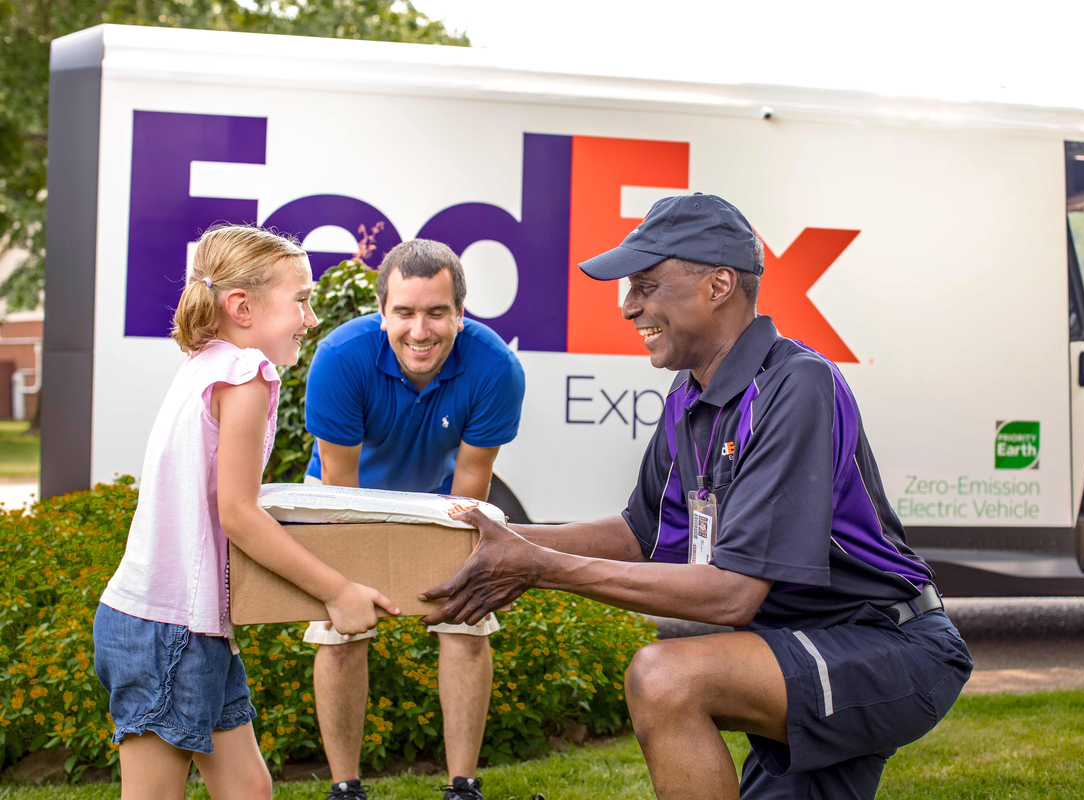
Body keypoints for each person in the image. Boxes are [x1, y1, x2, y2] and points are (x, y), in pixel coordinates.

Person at [420, 195, 973, 800]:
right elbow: (642, 533)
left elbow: (733, 594)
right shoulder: (688, 396)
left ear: (718, 285)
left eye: (648, 285)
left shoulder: (796, 384)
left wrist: (539, 567)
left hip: (888, 645)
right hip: (802, 645)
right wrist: (489, 536)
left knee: (664, 676)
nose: (631, 307)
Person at [94, 225, 399, 800]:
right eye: (302, 301)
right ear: (241, 306)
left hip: (183, 627)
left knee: (250, 792)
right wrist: (337, 590)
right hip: (171, 630)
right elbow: (237, 512)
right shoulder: (244, 374)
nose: (311, 320)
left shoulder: (205, 362)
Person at [302, 239, 525, 800]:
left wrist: (456, 577)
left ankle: (463, 786)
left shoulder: (496, 367)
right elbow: (340, 485)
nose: (419, 330)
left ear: (460, 314)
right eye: (404, 312)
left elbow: (469, 488)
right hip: (343, 496)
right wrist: (351, 583)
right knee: (341, 630)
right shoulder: (340, 357)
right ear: (383, 314)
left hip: (439, 498)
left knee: (466, 624)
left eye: (436, 313)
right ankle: (345, 788)